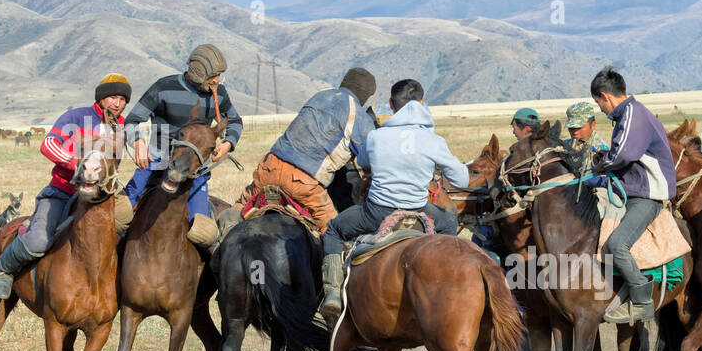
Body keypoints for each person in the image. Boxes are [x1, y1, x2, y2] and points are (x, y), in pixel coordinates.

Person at [319, 78, 469, 321]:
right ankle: (446, 281)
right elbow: (462, 180)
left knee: (334, 230)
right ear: (422, 103)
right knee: (449, 222)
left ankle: (333, 292)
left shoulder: (377, 137)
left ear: (390, 104)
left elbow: (365, 163)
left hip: (376, 212)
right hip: (420, 211)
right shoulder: (433, 140)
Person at [0, 74, 131, 299]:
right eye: (113, 97)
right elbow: (48, 144)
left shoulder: (121, 126)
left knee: (131, 228)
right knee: (38, 240)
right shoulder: (76, 117)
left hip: (102, 196)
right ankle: (3, 268)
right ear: (102, 99)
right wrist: (78, 165)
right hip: (65, 191)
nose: (118, 104)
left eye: (122, 100)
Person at [121, 44, 242, 250]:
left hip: (196, 169)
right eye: (214, 75)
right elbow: (132, 120)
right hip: (157, 160)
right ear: (198, 72)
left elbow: (235, 121)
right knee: (119, 216)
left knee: (204, 233)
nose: (217, 80)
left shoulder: (218, 93)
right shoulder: (163, 87)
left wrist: (227, 144)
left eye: (219, 75)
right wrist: (138, 143)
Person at [230, 68, 376, 236]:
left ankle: (221, 236)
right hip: (303, 183)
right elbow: (371, 158)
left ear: (344, 82)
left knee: (240, 209)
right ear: (365, 95)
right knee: (333, 233)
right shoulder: (358, 114)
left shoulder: (320, 96)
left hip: (269, 168)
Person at [590, 66, 677, 323]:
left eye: (599, 103)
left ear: (605, 96)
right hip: (633, 190)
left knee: (616, 245)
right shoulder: (628, 114)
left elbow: (623, 155)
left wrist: (600, 165)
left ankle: (641, 300)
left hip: (647, 195)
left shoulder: (631, 114)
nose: (601, 109)